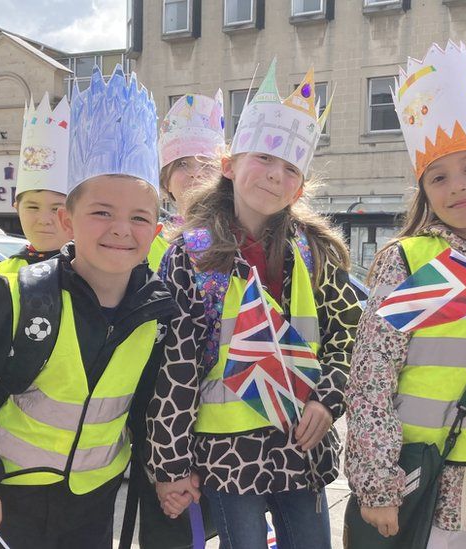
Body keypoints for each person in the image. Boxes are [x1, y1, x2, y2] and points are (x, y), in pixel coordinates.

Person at [0, 65, 178, 549]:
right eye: (101, 212)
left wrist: (169, 473)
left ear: (155, 229)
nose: (120, 229)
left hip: (94, 496)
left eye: (139, 218)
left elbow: (149, 408)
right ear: (68, 220)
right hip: (12, 495)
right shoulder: (19, 296)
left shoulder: (157, 313)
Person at [147, 60, 363, 549]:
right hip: (226, 455)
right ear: (229, 165)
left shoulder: (314, 251)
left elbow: (348, 334)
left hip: (301, 447)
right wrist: (169, 466)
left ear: (301, 187)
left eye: (290, 168)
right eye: (263, 159)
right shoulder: (191, 253)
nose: (274, 175)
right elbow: (175, 365)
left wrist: (328, 399)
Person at [345, 41, 466, 549]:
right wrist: (378, 482)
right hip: (416, 481)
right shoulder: (416, 261)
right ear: (423, 189)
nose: (458, 187)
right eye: (439, 177)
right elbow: (372, 377)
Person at [0, 93, 72, 274]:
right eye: (32, 207)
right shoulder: (1, 273)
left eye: (56, 209)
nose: (44, 220)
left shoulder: (95, 273)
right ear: (16, 207)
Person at [149, 91, 225, 271]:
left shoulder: (238, 236)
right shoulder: (148, 241)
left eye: (206, 165)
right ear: (166, 181)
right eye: (182, 164)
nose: (196, 174)